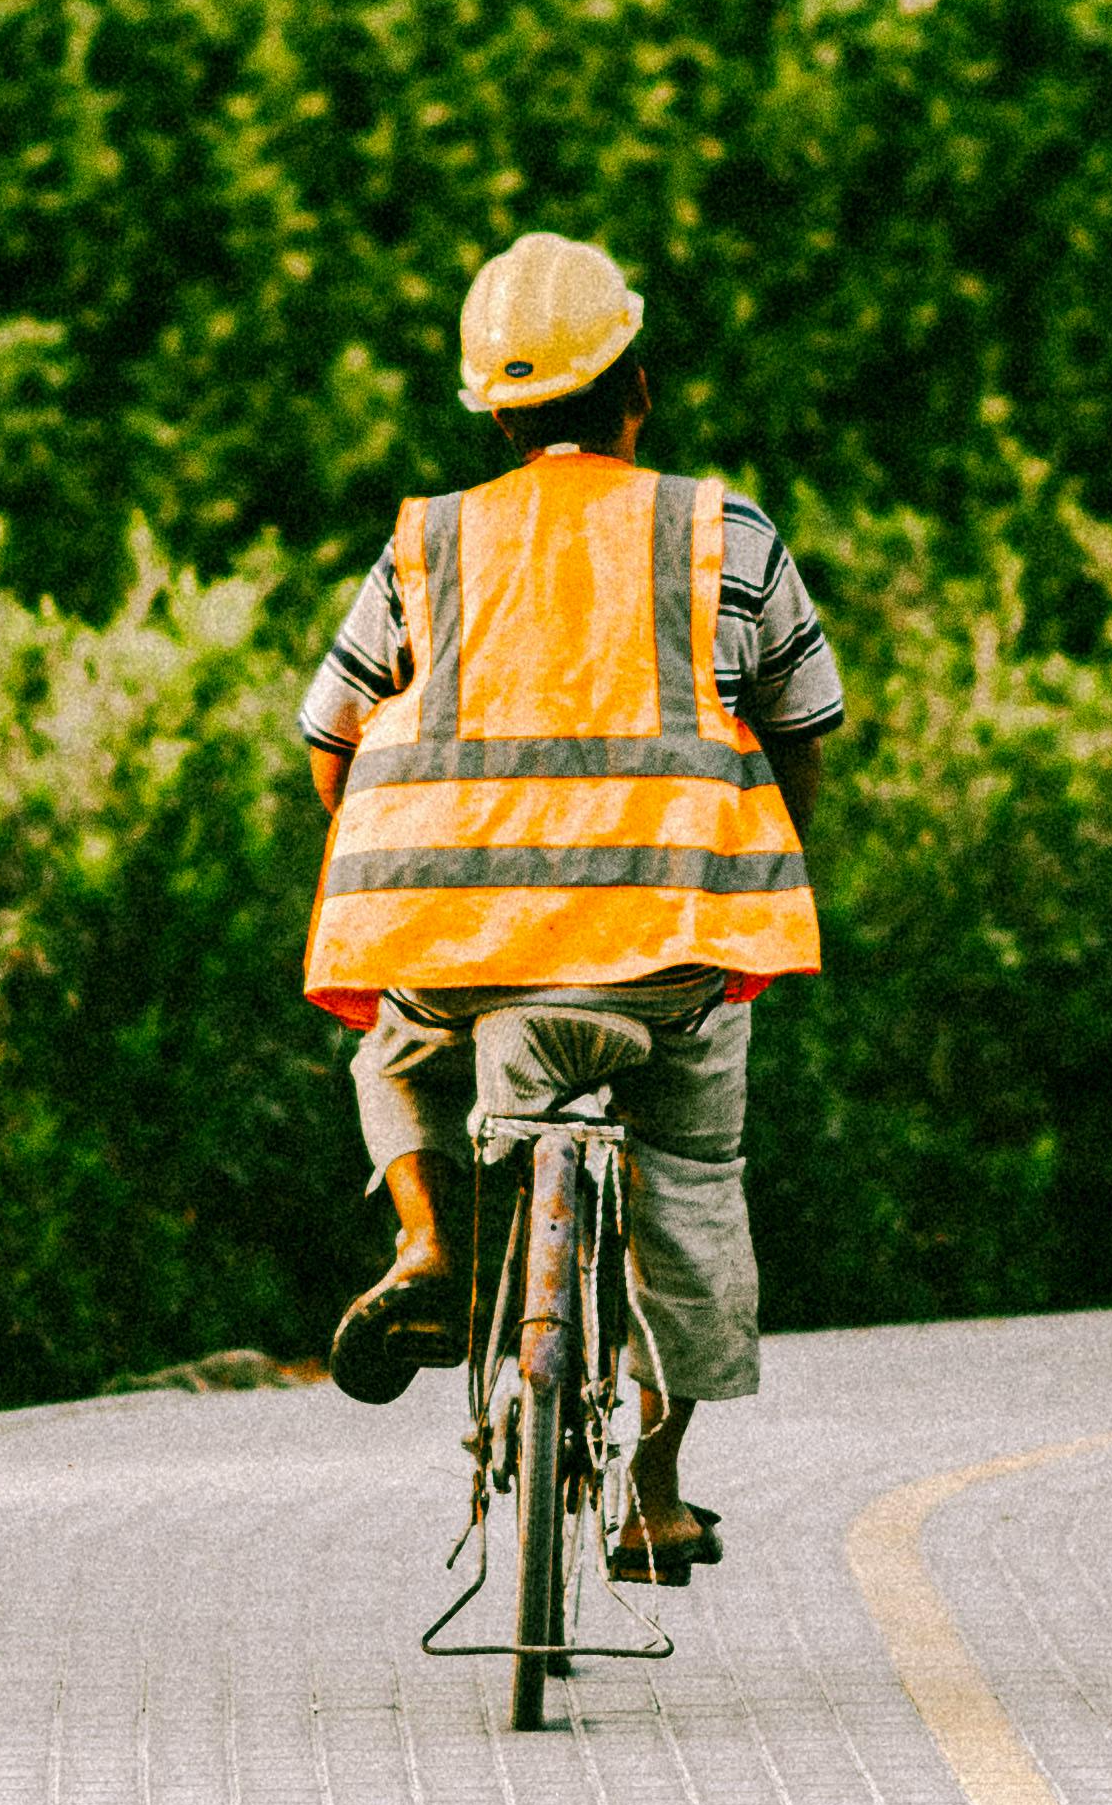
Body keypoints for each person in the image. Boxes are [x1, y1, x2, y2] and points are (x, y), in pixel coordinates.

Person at [300, 231, 842, 1579]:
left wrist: (420, 865)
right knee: (692, 1178)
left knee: (397, 1050)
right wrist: (742, 871)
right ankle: (653, 1488)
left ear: (493, 413)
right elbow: (804, 727)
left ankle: (431, 1240)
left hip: (461, 955)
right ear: (637, 390)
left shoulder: (425, 544)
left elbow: (330, 737)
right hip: (669, 959)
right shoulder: (726, 533)